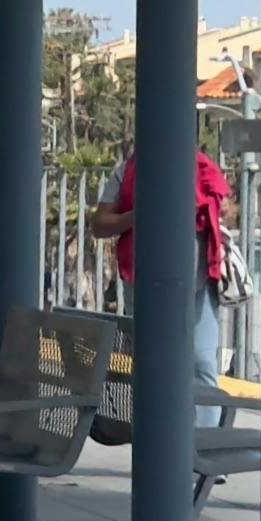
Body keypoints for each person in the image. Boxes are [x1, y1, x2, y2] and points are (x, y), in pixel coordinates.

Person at [90, 135, 238, 383]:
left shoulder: (202, 168)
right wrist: (141, 214)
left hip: (198, 284)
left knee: (202, 364)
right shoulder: (127, 172)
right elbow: (100, 224)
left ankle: (202, 423)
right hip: (144, 283)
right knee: (152, 363)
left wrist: (220, 210)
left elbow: (229, 210)